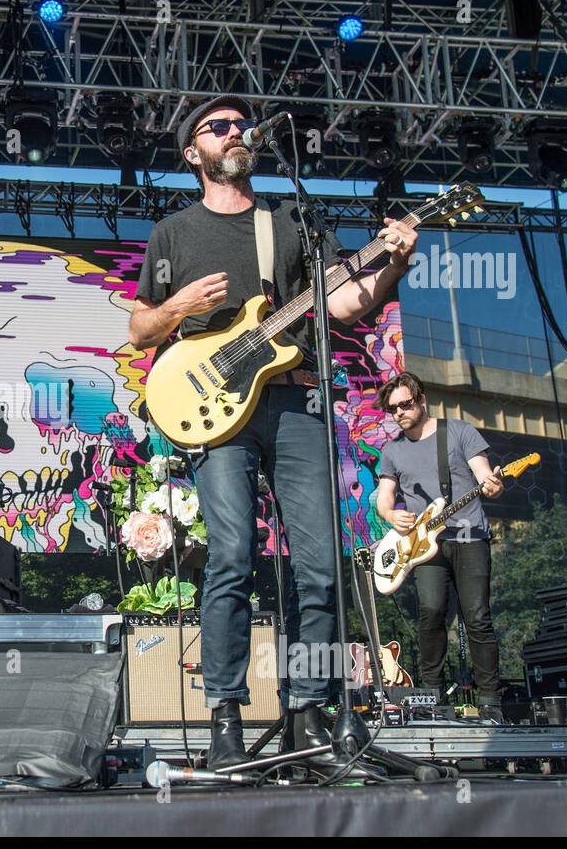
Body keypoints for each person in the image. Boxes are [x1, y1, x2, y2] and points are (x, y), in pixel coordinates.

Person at [128, 95, 419, 771]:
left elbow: (347, 302)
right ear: (193, 153)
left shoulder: (290, 218)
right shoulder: (174, 232)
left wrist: (395, 259)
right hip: (217, 412)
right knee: (231, 558)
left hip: (295, 403)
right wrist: (179, 305)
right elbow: (141, 329)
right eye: (218, 127)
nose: (235, 133)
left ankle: (308, 709)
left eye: (239, 124)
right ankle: (225, 715)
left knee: (318, 567)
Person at [374, 371, 506, 723]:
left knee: (477, 617)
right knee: (431, 614)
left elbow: (483, 475)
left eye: (404, 404)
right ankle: (428, 695)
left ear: (421, 399)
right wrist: (391, 515)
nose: (399, 413)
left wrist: (491, 484)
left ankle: (490, 699)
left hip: (469, 538)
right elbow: (384, 499)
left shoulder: (459, 432)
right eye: (392, 410)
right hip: (425, 546)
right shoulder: (392, 450)